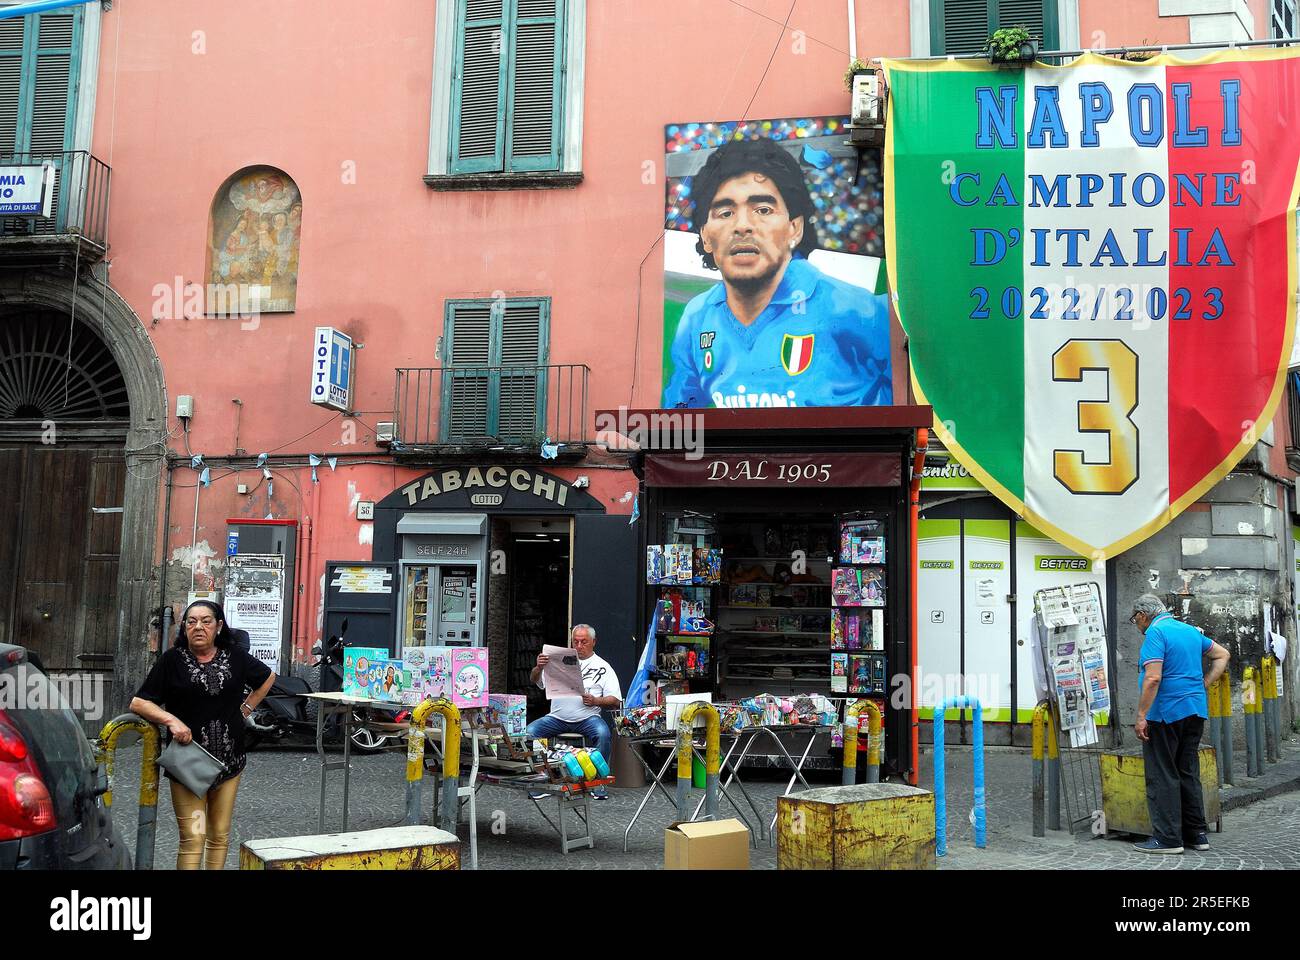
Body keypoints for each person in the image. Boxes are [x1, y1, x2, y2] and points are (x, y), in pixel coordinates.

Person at [662, 136, 893, 409]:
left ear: (795, 228)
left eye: (762, 209)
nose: (742, 226)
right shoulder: (698, 315)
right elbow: (680, 415)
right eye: (725, 213)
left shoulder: (857, 310)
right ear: (705, 236)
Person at [129, 600, 276, 869]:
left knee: (219, 836)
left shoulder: (235, 656)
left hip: (230, 762)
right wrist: (171, 720)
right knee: (193, 837)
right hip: (188, 764)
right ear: (184, 628)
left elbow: (267, 677)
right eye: (191, 621)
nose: (198, 627)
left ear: (218, 626)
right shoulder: (172, 661)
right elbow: (139, 702)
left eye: (206, 621)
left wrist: (246, 708)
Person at [1130, 593, 1231, 854]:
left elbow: (1153, 678)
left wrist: (1141, 715)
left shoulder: (1156, 632)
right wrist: (1203, 685)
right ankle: (1196, 834)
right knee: (1187, 771)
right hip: (1194, 710)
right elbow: (1223, 655)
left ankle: (1167, 839)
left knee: (1163, 773)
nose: (1137, 625)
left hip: (1165, 713)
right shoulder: (1188, 630)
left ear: (1142, 615)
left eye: (1135, 620)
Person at [527, 624, 622, 798]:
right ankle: (543, 779)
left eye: (584, 642)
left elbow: (615, 700)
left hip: (587, 717)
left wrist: (596, 701)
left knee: (603, 734)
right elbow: (534, 680)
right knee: (530, 732)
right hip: (557, 717)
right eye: (575, 642)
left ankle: (598, 782)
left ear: (594, 642)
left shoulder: (603, 667)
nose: (579, 646)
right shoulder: (558, 660)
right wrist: (539, 667)